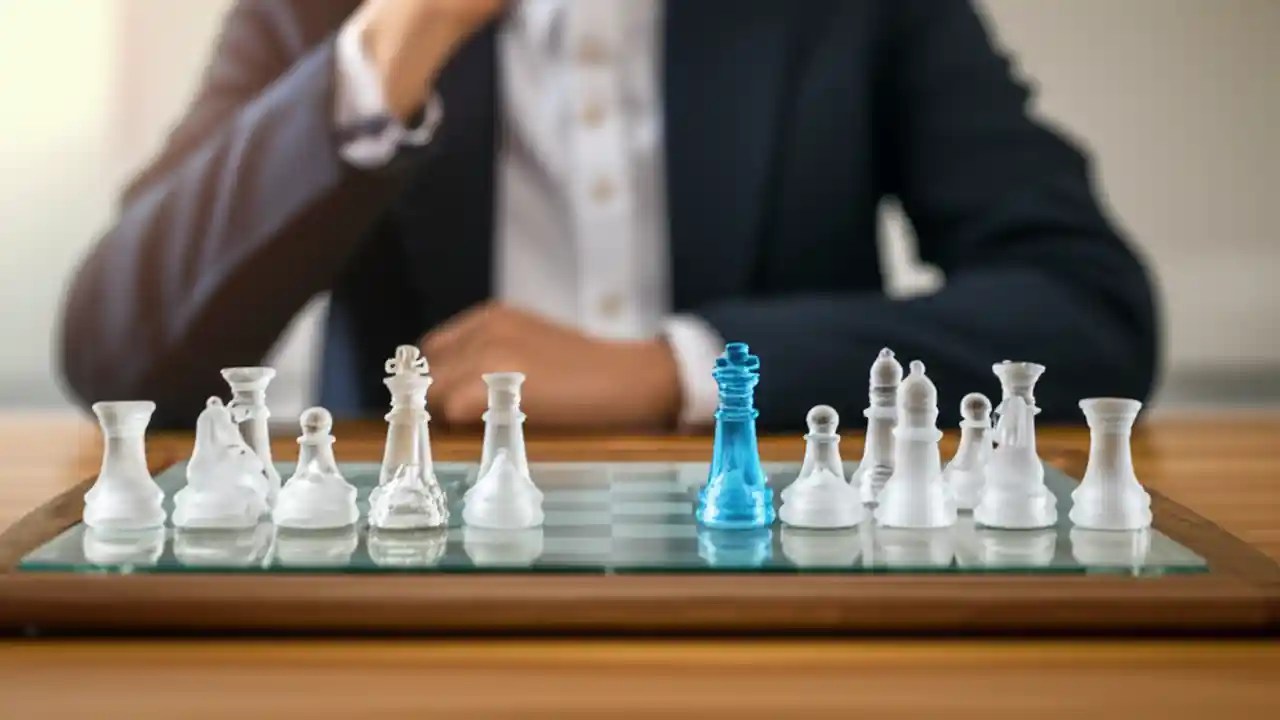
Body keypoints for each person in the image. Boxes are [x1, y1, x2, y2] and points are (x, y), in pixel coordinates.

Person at [60, 0, 1158, 431]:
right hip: (400, 611)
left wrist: (673, 368)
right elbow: (119, 357)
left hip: (787, 599)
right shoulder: (312, 9)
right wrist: (388, 48)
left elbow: (1086, 314)